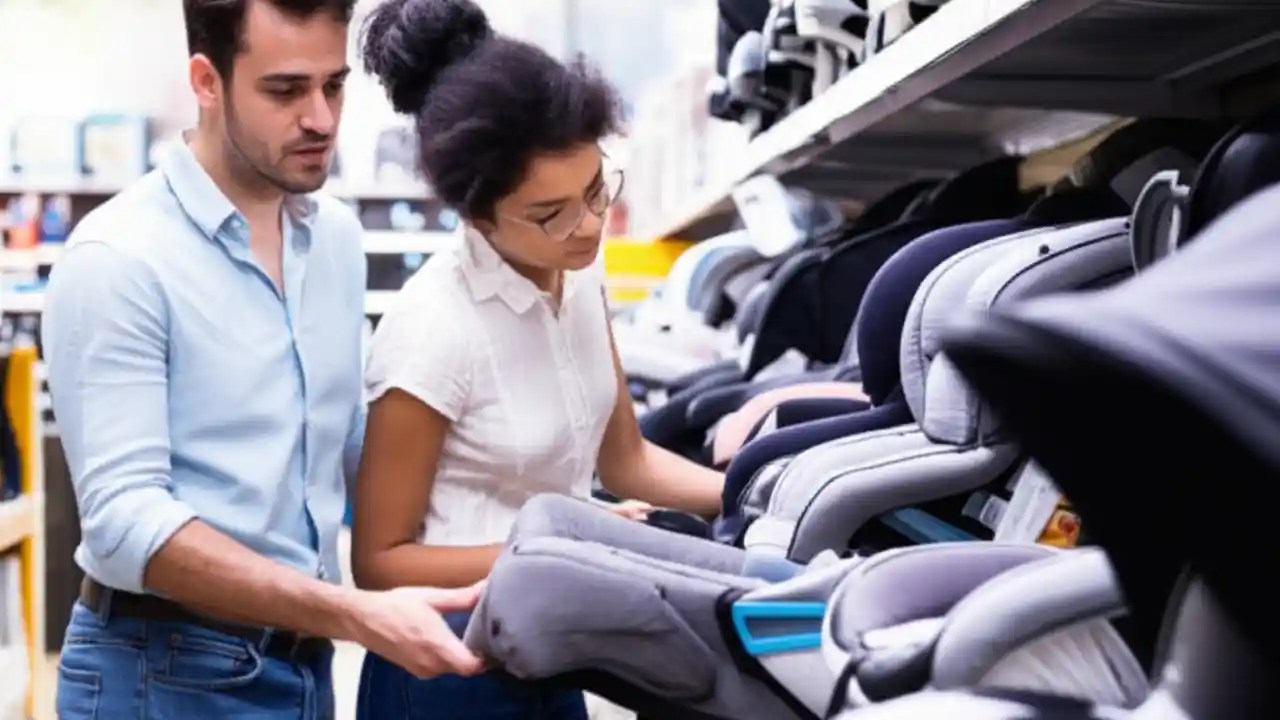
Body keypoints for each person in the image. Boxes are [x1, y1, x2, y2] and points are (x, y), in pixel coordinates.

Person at [42, 1, 485, 718]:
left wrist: (550, 518)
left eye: (334, 86)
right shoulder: (118, 259)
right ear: (206, 81)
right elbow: (126, 526)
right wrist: (351, 613)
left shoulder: (333, 241)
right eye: (285, 90)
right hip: (161, 673)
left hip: (302, 666)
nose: (320, 118)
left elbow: (357, 456)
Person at [351, 1, 728, 718]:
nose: (588, 227)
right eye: (550, 214)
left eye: (594, 191)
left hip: (557, 641)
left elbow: (624, 461)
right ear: (476, 213)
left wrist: (750, 487)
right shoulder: (433, 328)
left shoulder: (581, 275)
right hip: (447, 664)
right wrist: (584, 539)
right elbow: (378, 563)